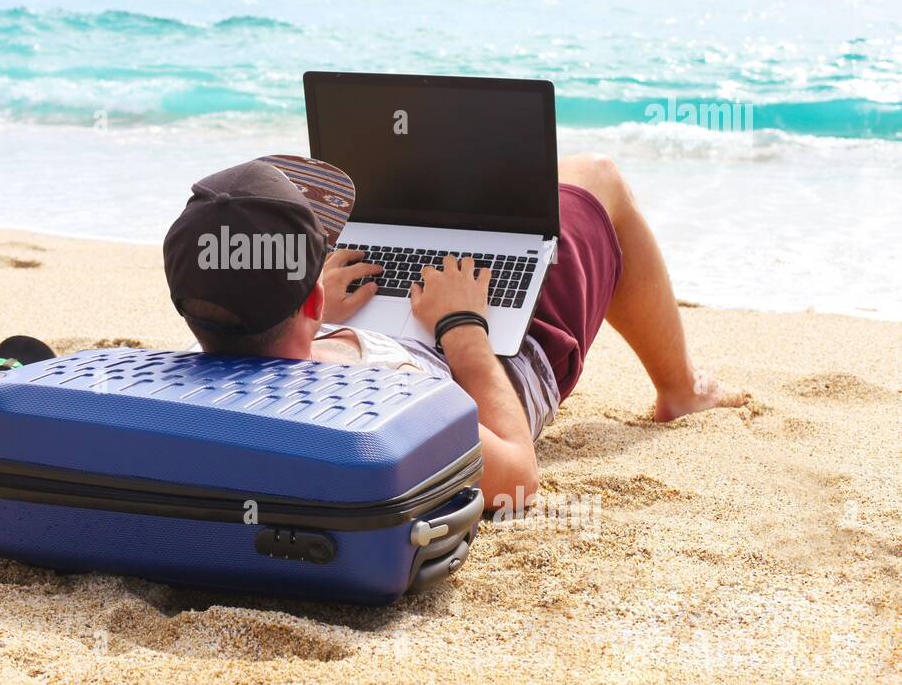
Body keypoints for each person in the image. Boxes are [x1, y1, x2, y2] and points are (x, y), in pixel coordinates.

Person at [162, 155, 747, 510]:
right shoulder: (391, 394)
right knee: (597, 178)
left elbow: (273, 355)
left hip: (338, 334)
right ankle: (680, 392)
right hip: (495, 368)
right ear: (311, 296)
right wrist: (463, 327)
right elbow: (516, 477)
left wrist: (325, 322)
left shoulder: (185, 385)